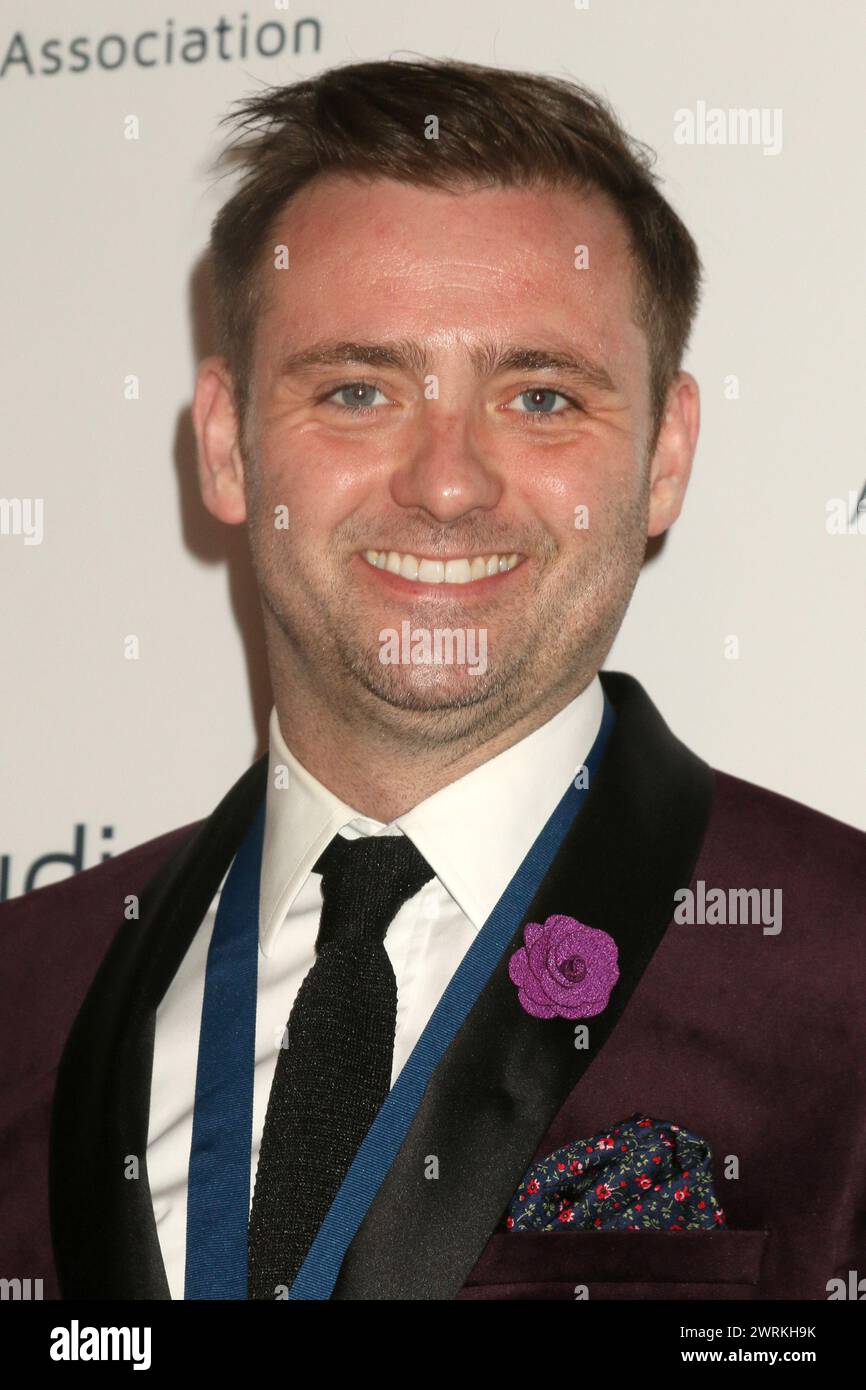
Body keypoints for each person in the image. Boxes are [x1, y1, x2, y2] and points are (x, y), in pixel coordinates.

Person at [1, 57, 863, 1303]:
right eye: (357, 390)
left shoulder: (840, 973)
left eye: (540, 395)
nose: (447, 482)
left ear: (664, 456)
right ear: (226, 444)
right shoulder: (26, 987)